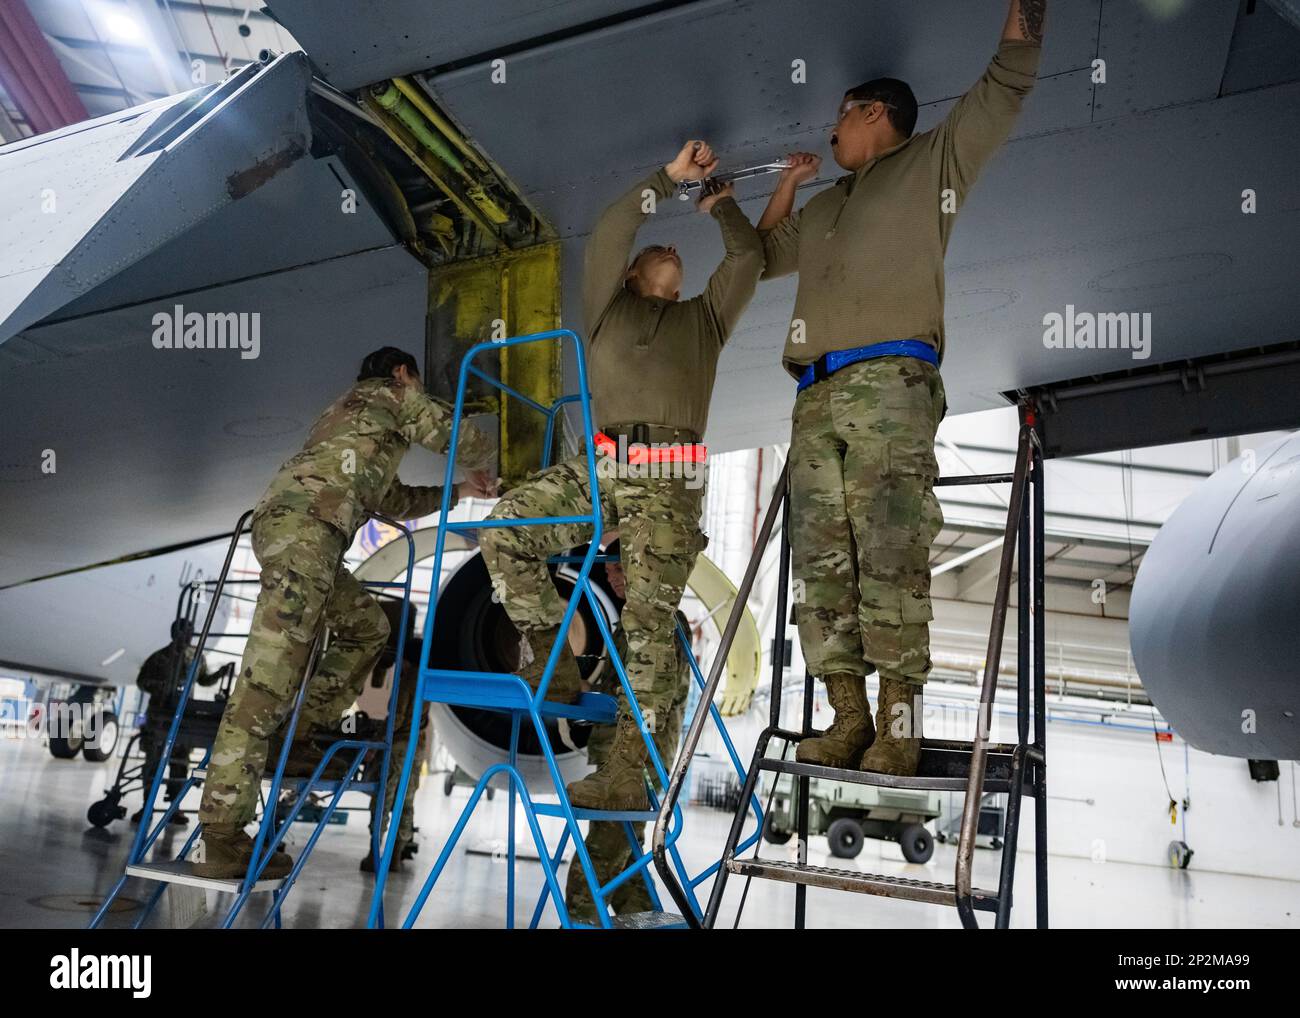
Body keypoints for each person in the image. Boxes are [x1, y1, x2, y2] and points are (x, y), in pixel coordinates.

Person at [756, 1, 1045, 775]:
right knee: (823, 565)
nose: (829, 132)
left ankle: (901, 728)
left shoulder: (930, 167)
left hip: (890, 381)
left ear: (874, 112)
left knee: (890, 554)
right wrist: (787, 183)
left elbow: (1003, 87)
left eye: (839, 119)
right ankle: (848, 720)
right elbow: (764, 252)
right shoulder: (824, 207)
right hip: (814, 396)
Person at [479, 139, 763, 812]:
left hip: (668, 482)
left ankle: (624, 772)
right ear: (634, 274)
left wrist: (722, 207)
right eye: (653, 254)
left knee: (646, 625)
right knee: (507, 530)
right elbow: (613, 227)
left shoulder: (703, 321)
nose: (670, 254)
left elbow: (748, 257)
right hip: (603, 468)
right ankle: (558, 663)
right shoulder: (610, 307)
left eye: (676, 257)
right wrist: (669, 179)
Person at [192, 347, 496, 879]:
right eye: (415, 383)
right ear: (403, 374)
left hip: (304, 537)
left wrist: (461, 490)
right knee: (264, 686)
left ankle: (306, 729)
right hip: (305, 537)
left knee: (366, 626)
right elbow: (458, 436)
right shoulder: (389, 394)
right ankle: (222, 835)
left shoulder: (354, 421)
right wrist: (496, 453)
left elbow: (394, 499)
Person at [565, 544, 692, 924]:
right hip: (614, 762)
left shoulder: (661, 625)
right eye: (609, 570)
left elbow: (651, 701)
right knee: (624, 870)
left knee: (596, 864)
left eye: (620, 568)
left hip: (638, 764)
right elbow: (623, 691)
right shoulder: (627, 625)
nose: (611, 575)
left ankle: (576, 921)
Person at [359, 598, 428, 874]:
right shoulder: (425, 684)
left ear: (407, 660)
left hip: (398, 749)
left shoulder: (405, 683)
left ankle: (373, 854)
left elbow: (395, 720)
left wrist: (375, 743)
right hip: (416, 749)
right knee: (406, 801)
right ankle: (396, 856)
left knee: (383, 800)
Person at [132, 620, 214, 826]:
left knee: (180, 766)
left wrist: (221, 674)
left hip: (184, 720)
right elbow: (142, 682)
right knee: (153, 763)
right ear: (174, 633)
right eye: (183, 632)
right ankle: (147, 807)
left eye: (190, 632)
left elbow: (204, 680)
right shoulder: (160, 658)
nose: (187, 636)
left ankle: (174, 809)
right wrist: (162, 686)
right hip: (160, 718)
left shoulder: (197, 657)